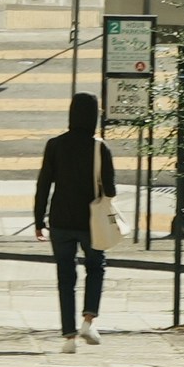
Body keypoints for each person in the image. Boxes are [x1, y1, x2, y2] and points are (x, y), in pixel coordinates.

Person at [30, 90, 116, 347]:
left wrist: (38, 220)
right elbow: (110, 190)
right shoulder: (100, 148)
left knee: (65, 277)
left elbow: (43, 184)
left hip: (60, 221)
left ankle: (68, 337)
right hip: (92, 221)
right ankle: (88, 322)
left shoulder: (54, 145)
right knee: (95, 267)